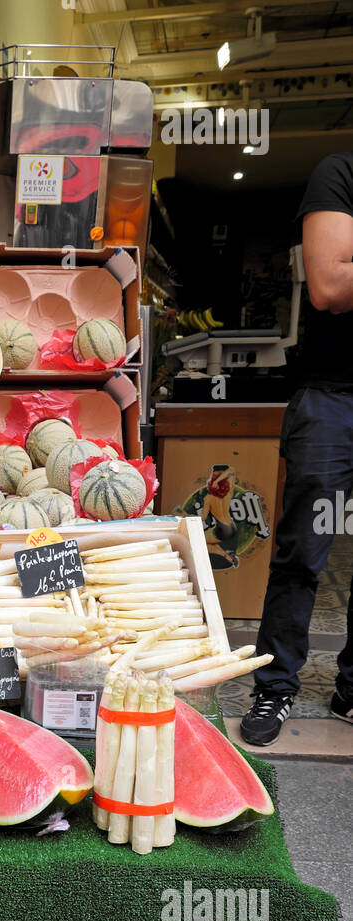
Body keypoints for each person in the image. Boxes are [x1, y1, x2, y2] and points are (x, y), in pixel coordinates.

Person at [241, 151, 353, 746]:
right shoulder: (340, 173)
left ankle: (351, 691)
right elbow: (331, 287)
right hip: (333, 398)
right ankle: (275, 686)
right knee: (301, 554)